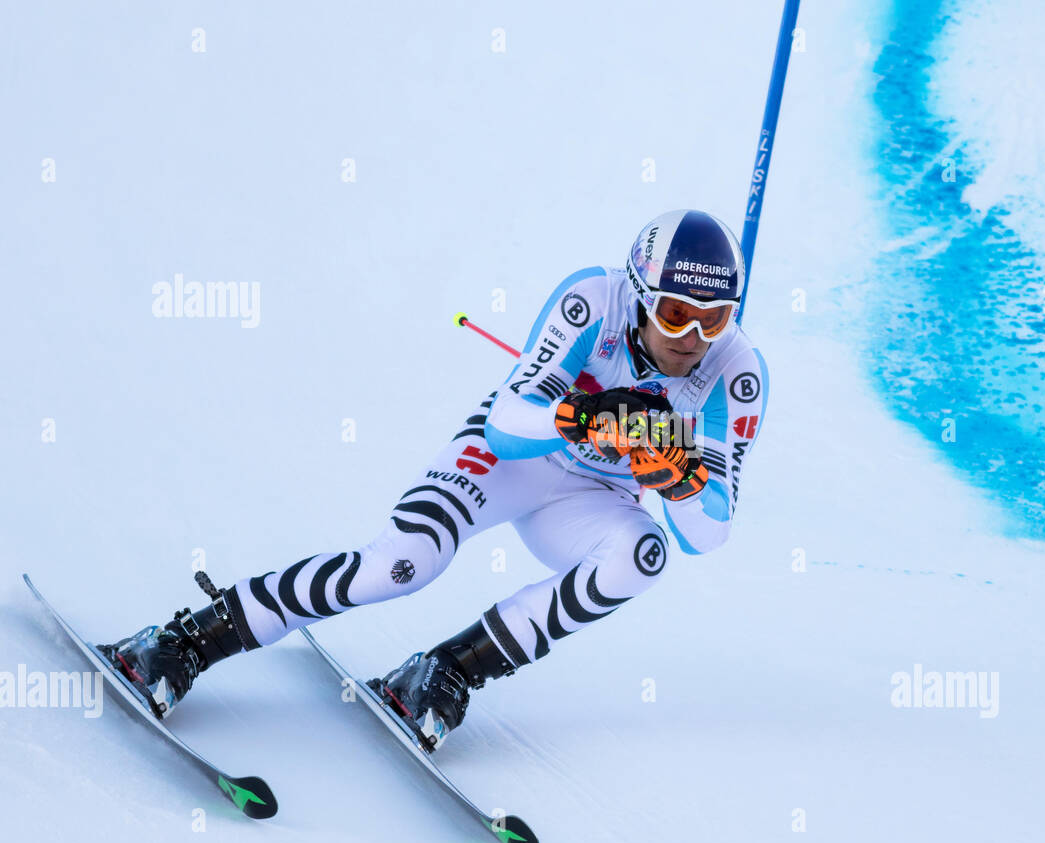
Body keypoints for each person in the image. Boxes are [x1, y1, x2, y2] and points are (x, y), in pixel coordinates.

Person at [99, 209, 770, 750]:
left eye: (715, 318)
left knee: (643, 556)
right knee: (403, 565)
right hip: (511, 459)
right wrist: (586, 416)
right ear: (639, 294)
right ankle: (183, 641)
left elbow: (708, 533)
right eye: (676, 313)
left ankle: (445, 670)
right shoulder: (591, 300)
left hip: (591, 500)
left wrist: (681, 479)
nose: (693, 337)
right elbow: (510, 420)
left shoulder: (735, 375)